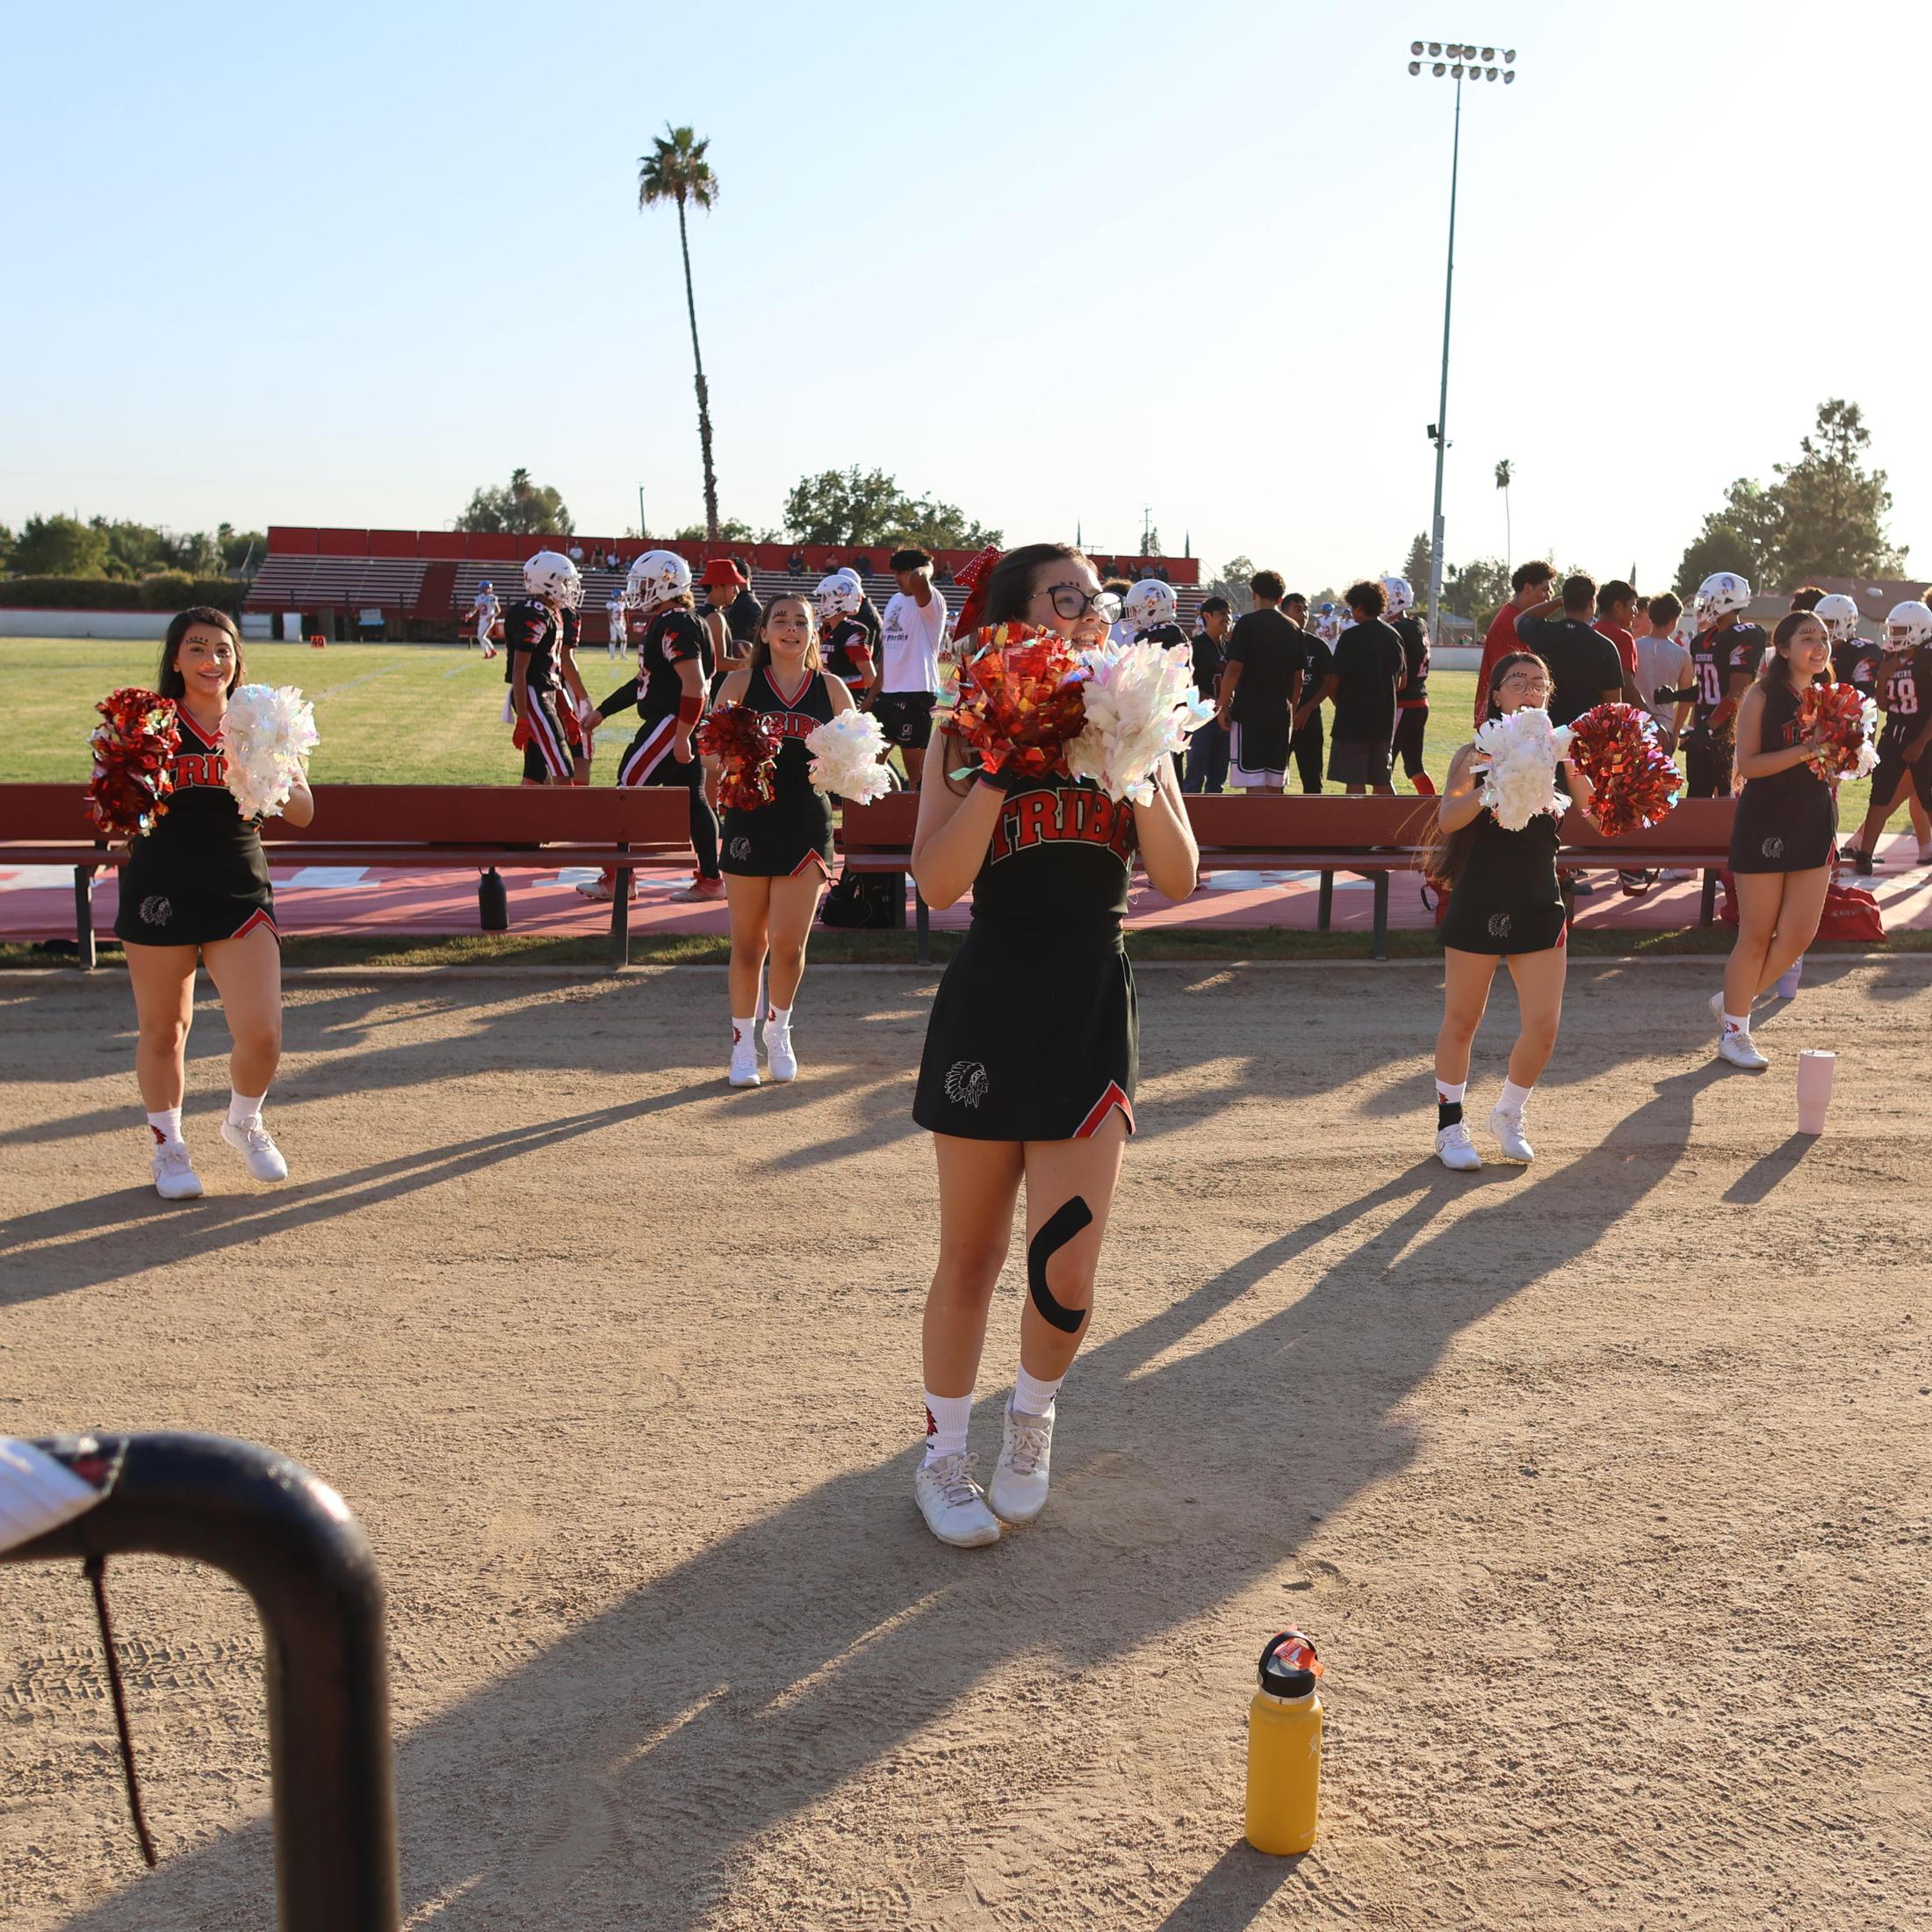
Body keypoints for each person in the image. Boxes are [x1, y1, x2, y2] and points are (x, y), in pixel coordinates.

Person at [907, 543, 1199, 1547]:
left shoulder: (1131, 714)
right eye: (1061, 595)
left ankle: (1027, 1422)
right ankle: (942, 1456)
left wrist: (1139, 753)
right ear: (1013, 617)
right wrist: (1002, 754)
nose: (1084, 610)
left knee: (1064, 1267)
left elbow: (1179, 874)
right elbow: (938, 883)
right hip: (993, 993)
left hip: (1085, 993)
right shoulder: (961, 726)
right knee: (974, 1252)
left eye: (1092, 597)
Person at [116, 608, 314, 1199]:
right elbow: (119, 814)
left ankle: (244, 1121)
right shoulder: (147, 723)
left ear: (237, 660)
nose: (212, 661)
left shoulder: (258, 718)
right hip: (162, 885)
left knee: (262, 1032)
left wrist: (267, 768)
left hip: (237, 884)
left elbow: (303, 811)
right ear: (175, 658)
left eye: (223, 650)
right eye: (197, 648)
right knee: (164, 1028)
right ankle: (168, 1148)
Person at [1427, 650, 1596, 1172]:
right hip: (1480, 896)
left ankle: (1508, 1113)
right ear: (1496, 695)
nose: (1528, 688)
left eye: (1538, 682)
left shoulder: (1562, 752)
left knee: (1543, 1026)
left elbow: (1590, 808)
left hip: (1537, 899)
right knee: (1463, 1020)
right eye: (1516, 680)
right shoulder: (1473, 753)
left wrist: (1570, 758)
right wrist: (1487, 788)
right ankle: (1450, 1126)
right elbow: (1448, 819)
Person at [707, 593, 856, 1087]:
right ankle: (742, 1046)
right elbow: (709, 757)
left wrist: (848, 769)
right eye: (781, 621)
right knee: (748, 945)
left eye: (801, 621)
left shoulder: (832, 690)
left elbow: (857, 764)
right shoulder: (739, 682)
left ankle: (779, 1030)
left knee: (789, 946)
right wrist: (729, 759)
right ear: (765, 632)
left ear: (815, 632)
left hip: (807, 828)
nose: (791, 629)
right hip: (749, 824)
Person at [1712, 611, 1839, 1068]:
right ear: (1783, 649)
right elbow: (1748, 765)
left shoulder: (1830, 697)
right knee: (1757, 935)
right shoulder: (1762, 694)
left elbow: (1834, 763)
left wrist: (1849, 755)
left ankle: (1733, 999)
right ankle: (1734, 1032)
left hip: (1815, 821)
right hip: (1766, 821)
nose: (1819, 645)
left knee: (1799, 936)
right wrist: (1808, 749)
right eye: (1808, 638)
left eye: (1824, 637)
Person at [581, 549, 724, 903]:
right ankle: (711, 880)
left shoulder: (676, 622)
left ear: (668, 583)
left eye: (645, 583)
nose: (638, 590)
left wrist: (682, 736)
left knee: (627, 790)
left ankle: (618, 878)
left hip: (672, 723)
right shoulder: (673, 620)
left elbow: (695, 684)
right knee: (694, 801)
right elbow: (644, 681)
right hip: (677, 722)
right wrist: (604, 711)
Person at [1842, 600, 1932, 874]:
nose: (1895, 635)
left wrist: (1920, 743)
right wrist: (1883, 676)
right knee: (1879, 794)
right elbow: (1882, 704)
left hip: (1924, 735)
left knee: (1928, 797)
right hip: (1893, 733)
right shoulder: (1890, 656)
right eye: (1894, 629)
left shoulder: (1929, 655)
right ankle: (1865, 853)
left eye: (1902, 629)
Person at [504, 551, 591, 787]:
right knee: (561, 761)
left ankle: (526, 818)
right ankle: (567, 819)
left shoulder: (552, 613)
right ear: (548, 581)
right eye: (564, 581)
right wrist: (523, 717)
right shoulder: (533, 612)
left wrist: (567, 712)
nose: (568, 588)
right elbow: (520, 670)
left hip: (546, 691)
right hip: (532, 693)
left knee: (536, 765)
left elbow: (553, 673)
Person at [1215, 569, 1305, 792]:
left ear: (1254, 593)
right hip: (1280, 713)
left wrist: (1222, 705)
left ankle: (1255, 827)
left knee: (1252, 781)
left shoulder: (1247, 624)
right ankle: (1274, 826)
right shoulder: (1293, 628)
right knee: (1275, 782)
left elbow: (1234, 668)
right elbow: (1299, 678)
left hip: (1250, 712)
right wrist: (1291, 709)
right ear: (1280, 598)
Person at [1682, 572, 1769, 799]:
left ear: (1727, 601)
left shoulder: (1744, 635)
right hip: (1704, 728)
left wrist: (1709, 727)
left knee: (1727, 796)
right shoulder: (1701, 640)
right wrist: (1675, 695)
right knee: (1697, 794)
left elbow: (1737, 691)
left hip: (1729, 732)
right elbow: (1708, 688)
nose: (1702, 605)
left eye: (1708, 599)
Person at [873, 548, 949, 786]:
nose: (898, 578)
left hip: (917, 691)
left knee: (916, 772)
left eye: (903, 571)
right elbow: (888, 651)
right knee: (871, 766)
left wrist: (927, 566)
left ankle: (917, 819)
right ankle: (886, 815)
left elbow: (918, 579)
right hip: (888, 694)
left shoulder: (930, 600)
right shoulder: (895, 600)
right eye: (895, 572)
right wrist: (872, 696)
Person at [1512, 574, 1627, 726]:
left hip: (1545, 732)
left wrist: (1558, 602)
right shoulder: (1605, 646)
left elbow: (1519, 620)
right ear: (1592, 602)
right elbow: (1613, 706)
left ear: (1565, 602)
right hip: (1585, 736)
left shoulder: (1543, 632)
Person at [1326, 580, 1406, 795]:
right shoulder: (1394, 635)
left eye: (1353, 606)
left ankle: (1356, 827)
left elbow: (1333, 682)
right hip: (1383, 720)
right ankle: (1396, 823)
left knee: (1355, 780)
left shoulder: (1351, 637)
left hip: (1352, 720)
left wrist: (1339, 702)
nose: (1352, 612)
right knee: (1382, 779)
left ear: (1360, 606)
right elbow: (1401, 681)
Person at [1475, 560, 1555, 723]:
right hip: (1504, 722)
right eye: (1545, 590)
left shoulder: (1510, 617)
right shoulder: (1510, 624)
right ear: (1527, 588)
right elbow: (1509, 677)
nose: (1549, 596)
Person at [1382, 573, 1434, 794]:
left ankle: (1388, 817)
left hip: (1403, 703)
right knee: (1414, 766)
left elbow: (1398, 672)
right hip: (1420, 701)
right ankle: (1433, 811)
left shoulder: (1397, 630)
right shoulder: (1419, 623)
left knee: (1382, 769)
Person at [1182, 596, 1233, 794]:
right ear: (1206, 616)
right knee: (1195, 776)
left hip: (1225, 716)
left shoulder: (1228, 648)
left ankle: (1214, 822)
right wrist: (1216, 705)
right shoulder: (1195, 646)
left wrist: (1225, 708)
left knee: (1218, 779)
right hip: (1201, 718)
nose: (1227, 618)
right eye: (1222, 613)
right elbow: (1188, 685)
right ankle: (1191, 820)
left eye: (1229, 613)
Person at [1283, 592, 1331, 793]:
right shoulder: (1275, 644)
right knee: (1274, 779)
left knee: (1312, 780)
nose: (1303, 614)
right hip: (1279, 719)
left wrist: (1307, 708)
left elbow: (1329, 683)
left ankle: (1314, 823)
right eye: (1297, 609)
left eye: (1305, 609)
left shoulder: (1318, 645)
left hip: (1309, 720)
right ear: (1283, 612)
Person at [1633, 591, 1694, 751]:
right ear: (1674, 621)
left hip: (1633, 725)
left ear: (1651, 617)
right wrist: (1674, 733)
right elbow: (1686, 699)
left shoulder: (1633, 647)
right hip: (1662, 728)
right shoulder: (1682, 656)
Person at [815, 573, 876, 697]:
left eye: (825, 598)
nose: (821, 603)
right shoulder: (824, 631)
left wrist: (834, 683)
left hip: (848, 700)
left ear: (838, 600)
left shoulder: (852, 632)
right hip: (826, 697)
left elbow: (869, 678)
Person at [1591, 579, 1646, 706]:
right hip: (1608, 718)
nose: (1635, 611)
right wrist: (1652, 722)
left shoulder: (1588, 633)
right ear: (1618, 607)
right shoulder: (1623, 638)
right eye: (1633, 605)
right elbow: (1627, 688)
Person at [465, 580, 501, 658]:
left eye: (484, 588)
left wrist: (492, 616)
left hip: (489, 620)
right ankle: (486, 653)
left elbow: (498, 610)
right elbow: (475, 608)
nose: (483, 590)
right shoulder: (480, 598)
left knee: (481, 636)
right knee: (480, 637)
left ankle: (493, 650)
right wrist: (469, 615)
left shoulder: (492, 598)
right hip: (482, 619)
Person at [604, 587, 631, 661]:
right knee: (613, 640)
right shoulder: (611, 604)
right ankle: (612, 656)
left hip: (621, 623)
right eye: (620, 596)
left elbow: (623, 615)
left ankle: (622, 655)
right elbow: (609, 615)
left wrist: (624, 623)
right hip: (613, 624)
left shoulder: (622, 604)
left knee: (624, 639)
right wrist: (613, 624)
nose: (622, 597)